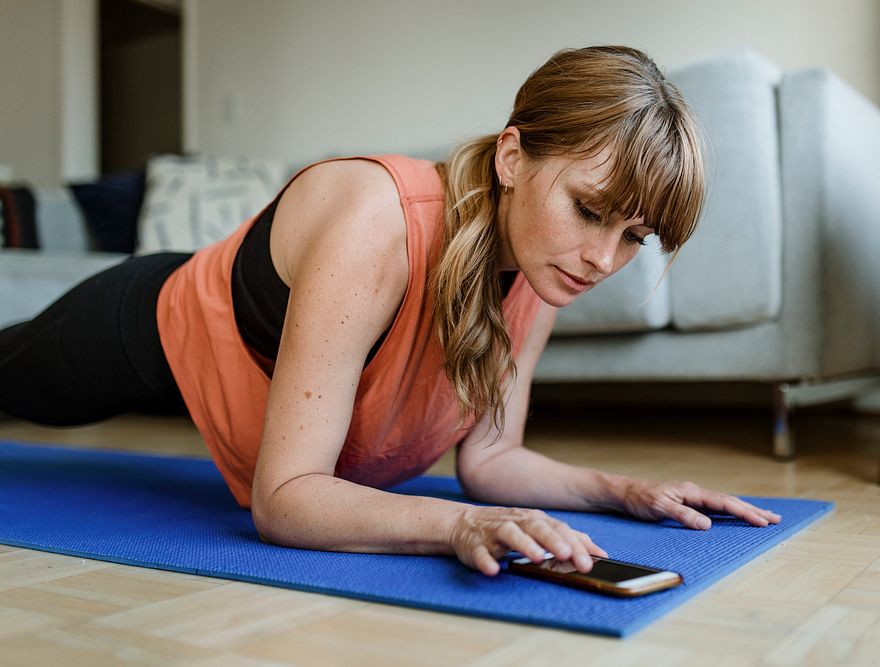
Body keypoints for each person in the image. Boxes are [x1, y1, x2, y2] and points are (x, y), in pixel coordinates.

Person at [0, 46, 780, 577]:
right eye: (589, 210)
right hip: (147, 325)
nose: (603, 260)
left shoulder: (542, 268)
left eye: (633, 237)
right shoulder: (379, 221)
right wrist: (452, 528)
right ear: (513, 157)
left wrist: (627, 490)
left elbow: (491, 458)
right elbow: (286, 498)